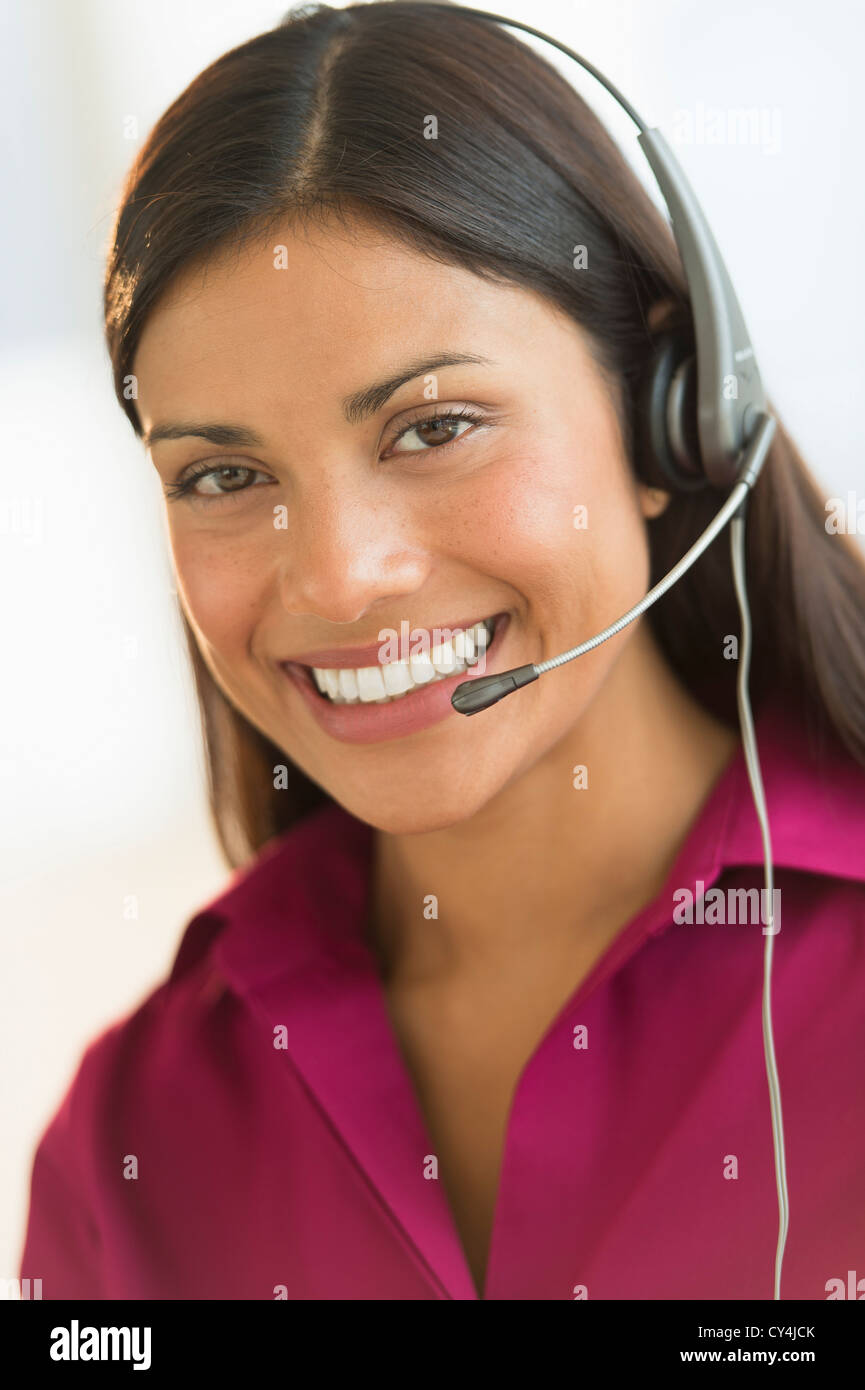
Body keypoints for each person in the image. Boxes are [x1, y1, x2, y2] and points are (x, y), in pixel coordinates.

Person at [19, 0, 865, 1300]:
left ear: (668, 419)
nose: (341, 574)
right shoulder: (137, 1134)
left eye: (433, 426)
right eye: (226, 472)